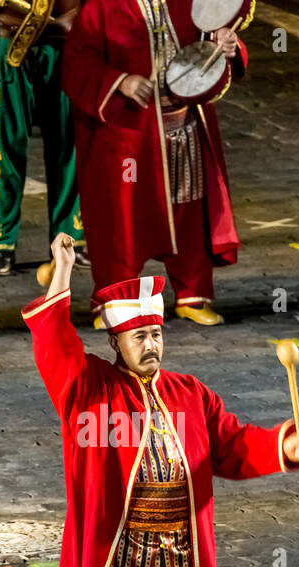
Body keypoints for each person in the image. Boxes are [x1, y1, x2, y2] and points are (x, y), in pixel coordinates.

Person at [24, 234, 299, 567]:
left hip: (181, 559)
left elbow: (232, 443)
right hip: (116, 562)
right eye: (139, 336)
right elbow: (55, 341)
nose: (150, 345)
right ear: (115, 342)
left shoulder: (190, 393)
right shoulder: (90, 389)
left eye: (156, 335)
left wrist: (283, 446)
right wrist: (63, 270)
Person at [62, 0, 246, 327]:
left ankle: (193, 293)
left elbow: (208, 33)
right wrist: (120, 82)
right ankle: (115, 299)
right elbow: (77, 61)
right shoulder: (101, 6)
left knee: (190, 210)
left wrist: (226, 43)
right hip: (129, 132)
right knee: (123, 220)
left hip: (183, 121)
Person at [0, 0, 89, 276]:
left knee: (69, 148)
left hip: (67, 43)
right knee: (3, 147)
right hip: (10, 39)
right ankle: (1, 243)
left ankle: (68, 240)